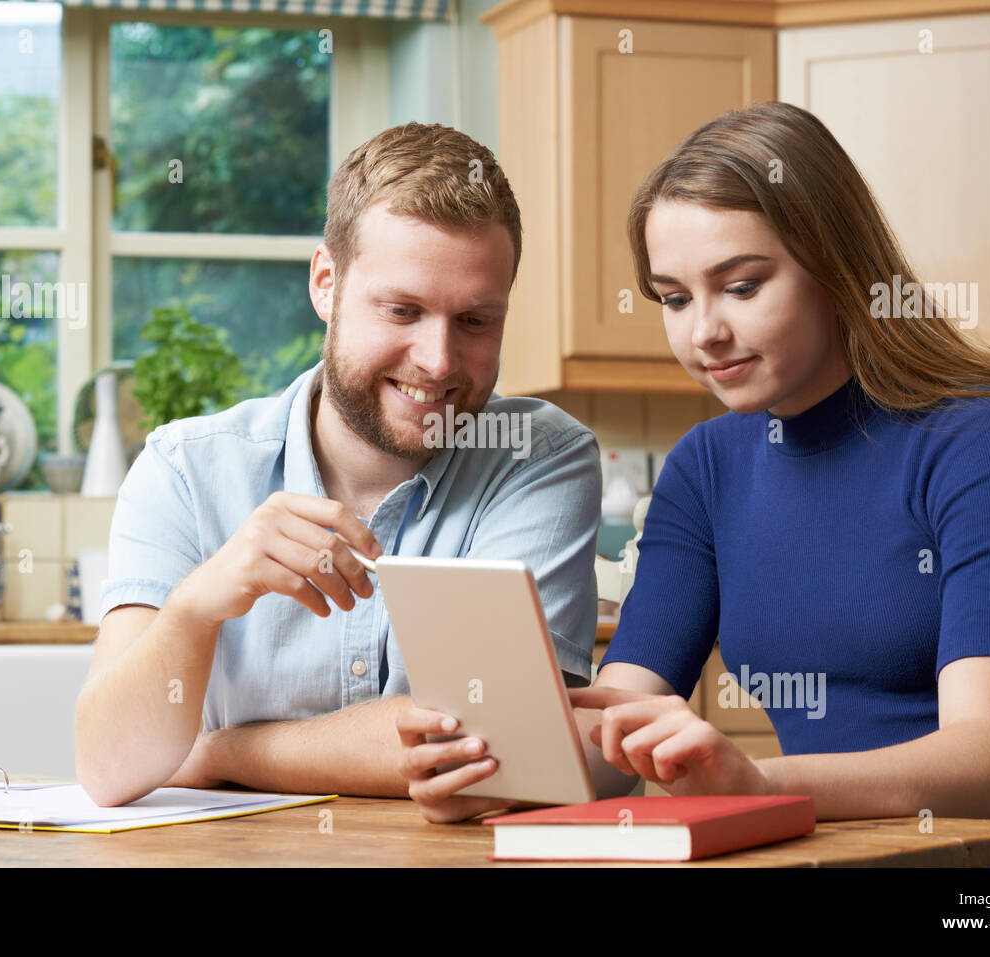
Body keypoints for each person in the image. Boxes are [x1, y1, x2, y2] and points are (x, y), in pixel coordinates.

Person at [401, 101, 990, 866]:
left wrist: (754, 781)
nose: (702, 331)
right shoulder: (705, 467)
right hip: (822, 852)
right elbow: (623, 721)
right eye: (674, 298)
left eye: (741, 286)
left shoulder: (978, 435)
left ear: (836, 265)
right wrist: (492, 771)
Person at [74, 122, 601, 809]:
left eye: (475, 320)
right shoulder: (185, 470)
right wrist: (198, 605)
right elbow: (109, 766)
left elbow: (495, 751)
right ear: (326, 284)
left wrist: (221, 752)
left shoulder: (539, 457)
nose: (439, 360)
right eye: (402, 309)